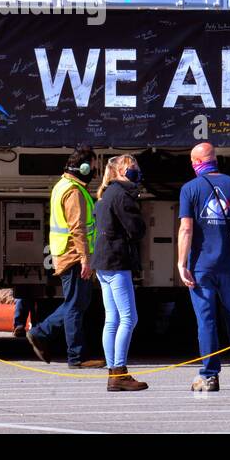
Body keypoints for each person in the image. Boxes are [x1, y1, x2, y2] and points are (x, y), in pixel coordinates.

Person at [178, 142, 230, 392]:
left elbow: (186, 229)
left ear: (195, 163)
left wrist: (181, 263)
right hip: (229, 266)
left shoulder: (190, 189)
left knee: (207, 321)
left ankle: (210, 376)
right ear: (215, 159)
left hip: (201, 267)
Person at [26, 145, 106, 368]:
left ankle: (43, 333)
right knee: (75, 306)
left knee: (77, 303)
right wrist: (85, 259)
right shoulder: (73, 192)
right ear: (82, 167)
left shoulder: (63, 186)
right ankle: (74, 355)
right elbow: (78, 228)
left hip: (68, 254)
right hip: (74, 256)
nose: (94, 171)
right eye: (93, 166)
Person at [92, 155, 148, 392]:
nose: (137, 171)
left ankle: (113, 371)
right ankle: (119, 371)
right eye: (133, 167)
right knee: (129, 318)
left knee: (112, 318)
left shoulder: (106, 195)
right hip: (117, 262)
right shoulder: (122, 196)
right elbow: (136, 230)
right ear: (121, 171)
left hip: (103, 262)